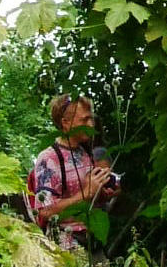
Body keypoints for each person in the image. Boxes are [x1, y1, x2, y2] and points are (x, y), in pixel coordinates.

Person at [29, 95, 120, 251]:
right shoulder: (49, 159)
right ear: (65, 123)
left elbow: (91, 197)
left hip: (93, 244)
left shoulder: (86, 153)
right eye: (84, 120)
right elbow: (44, 212)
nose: (91, 124)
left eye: (91, 119)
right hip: (66, 247)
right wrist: (85, 194)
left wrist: (103, 192)